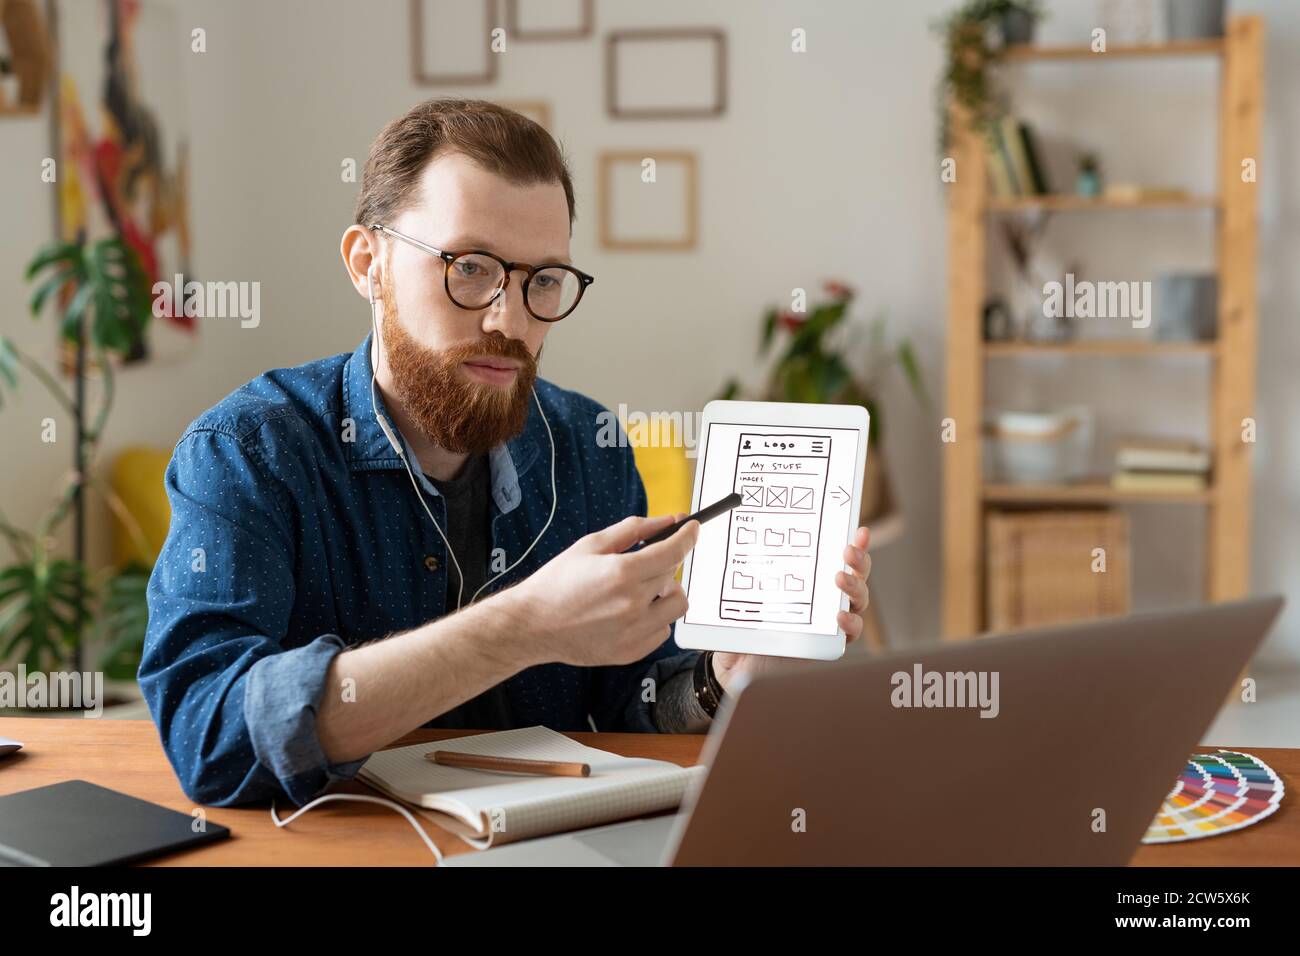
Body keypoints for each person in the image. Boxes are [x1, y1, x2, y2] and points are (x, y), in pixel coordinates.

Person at [139, 98, 872, 807]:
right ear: (368, 264)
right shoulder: (248, 452)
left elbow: (632, 700)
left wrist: (724, 677)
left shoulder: (590, 447)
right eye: (470, 268)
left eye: (542, 280)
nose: (509, 319)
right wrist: (523, 627)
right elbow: (210, 736)